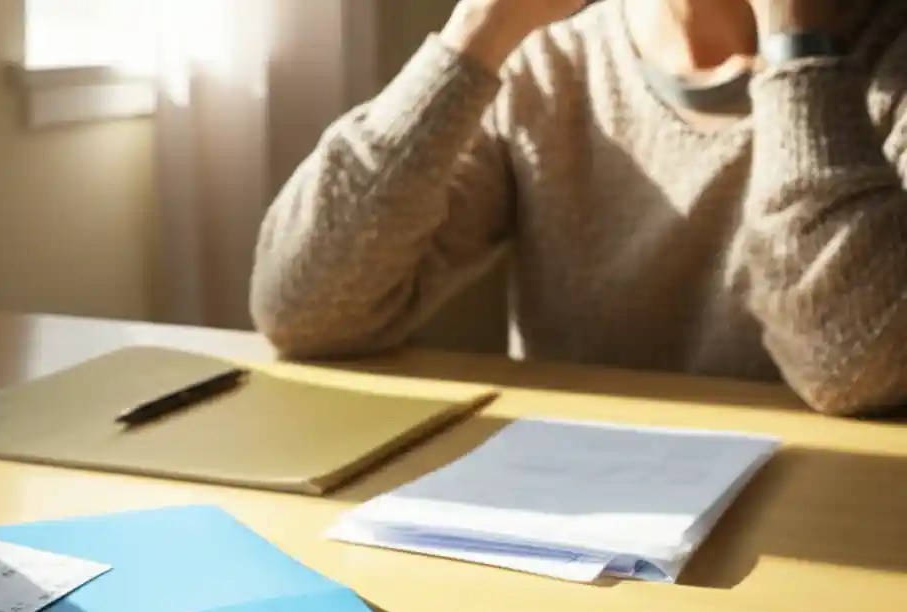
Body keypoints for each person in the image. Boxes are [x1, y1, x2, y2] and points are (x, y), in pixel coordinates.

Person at [250, 0, 907, 416]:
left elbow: (853, 372)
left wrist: (797, 49)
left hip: (823, 535)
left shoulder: (889, 68)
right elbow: (304, 307)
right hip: (573, 535)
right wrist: (482, 26)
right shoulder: (551, 63)